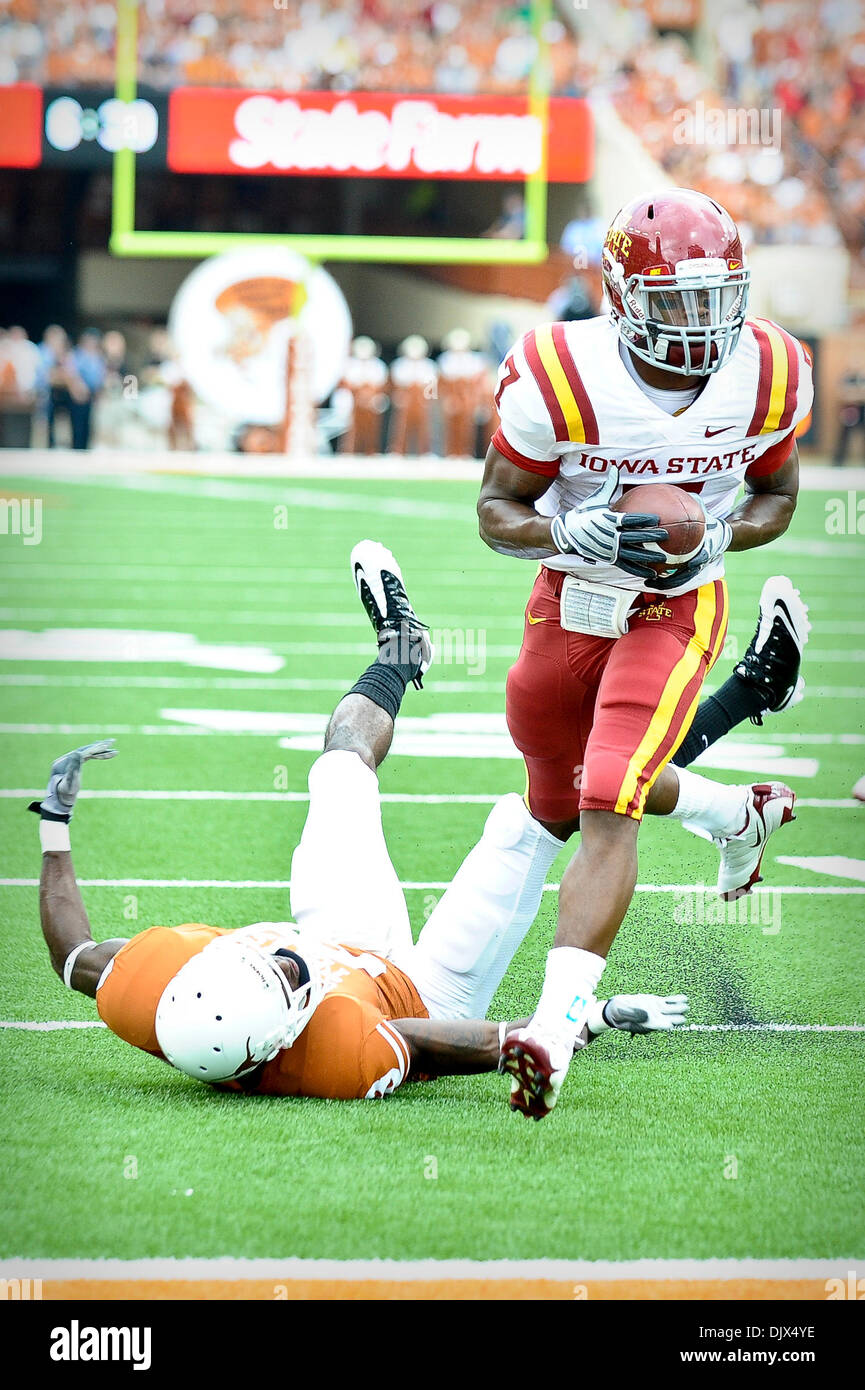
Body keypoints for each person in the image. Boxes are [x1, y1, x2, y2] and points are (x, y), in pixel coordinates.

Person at [28, 543, 687, 1102]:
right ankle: (737, 703)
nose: (284, 960)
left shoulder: (155, 990)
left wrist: (53, 825)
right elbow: (482, 1042)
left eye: (265, 962)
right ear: (282, 1034)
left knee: (341, 759)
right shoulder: (335, 1052)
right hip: (425, 995)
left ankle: (400, 652)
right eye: (289, 979)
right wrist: (587, 1019)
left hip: (340, 935)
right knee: (538, 817)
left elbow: (73, 956)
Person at [475, 188, 814, 1118]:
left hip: (678, 605)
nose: (701, 325)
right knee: (554, 787)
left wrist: (721, 540)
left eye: (716, 298)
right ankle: (733, 815)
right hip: (572, 591)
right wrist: (570, 532)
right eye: (674, 301)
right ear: (620, 295)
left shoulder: (775, 368)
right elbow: (494, 514)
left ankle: (553, 1024)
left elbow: (775, 498)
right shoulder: (558, 366)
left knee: (608, 791)